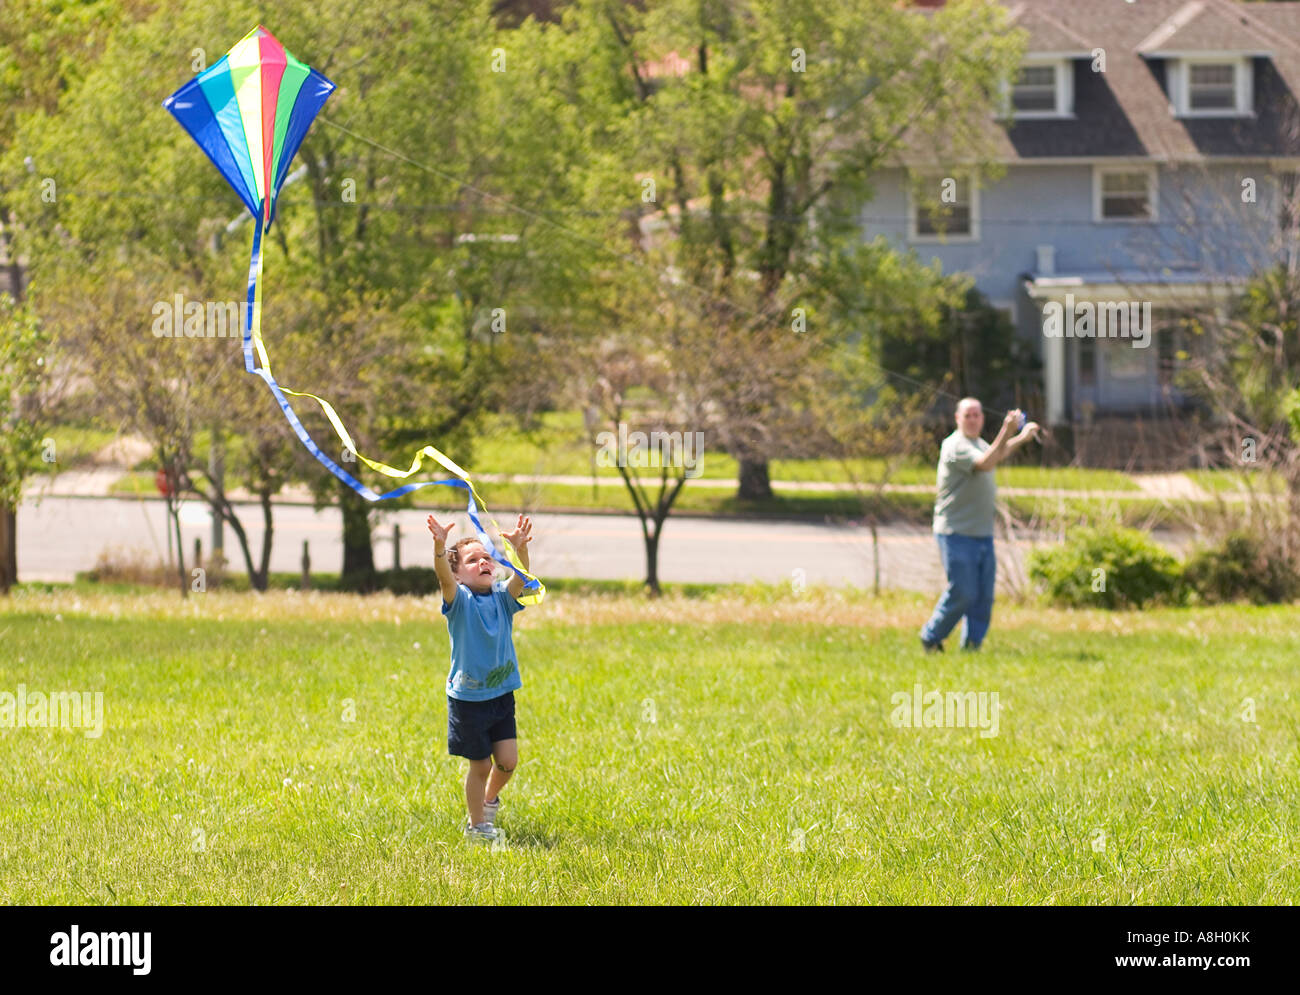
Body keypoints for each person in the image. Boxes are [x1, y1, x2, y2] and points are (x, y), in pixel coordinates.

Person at [427, 512, 535, 844]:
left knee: (507, 762)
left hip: (501, 696)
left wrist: (518, 550)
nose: (484, 562)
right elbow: (443, 579)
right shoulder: (459, 600)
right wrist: (440, 549)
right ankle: (477, 827)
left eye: (487, 557)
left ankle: (489, 801)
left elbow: (522, 579)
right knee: (481, 766)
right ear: (459, 574)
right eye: (473, 560)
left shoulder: (504, 597)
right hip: (468, 700)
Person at [920, 398, 1040, 652]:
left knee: (983, 596)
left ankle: (972, 646)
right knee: (963, 591)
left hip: (982, 533)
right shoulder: (954, 446)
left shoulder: (978, 443)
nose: (973, 419)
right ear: (957, 419)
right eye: (968, 415)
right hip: (955, 532)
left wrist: (1022, 437)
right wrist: (1007, 431)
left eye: (977, 414)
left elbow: (996, 453)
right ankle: (932, 637)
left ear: (983, 418)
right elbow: (985, 463)